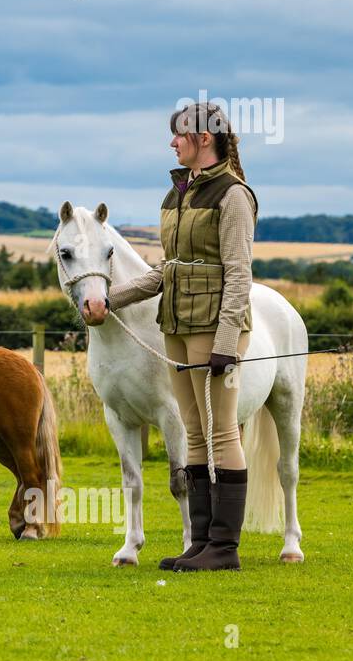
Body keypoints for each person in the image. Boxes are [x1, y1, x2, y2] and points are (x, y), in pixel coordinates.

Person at [108, 102, 257, 571]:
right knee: (193, 432)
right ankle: (200, 542)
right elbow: (165, 272)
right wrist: (111, 300)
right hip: (175, 325)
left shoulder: (233, 196)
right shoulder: (177, 195)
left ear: (204, 139)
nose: (172, 143)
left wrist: (226, 341)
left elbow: (239, 274)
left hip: (214, 326)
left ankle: (225, 548)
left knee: (221, 431)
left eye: (178, 136)